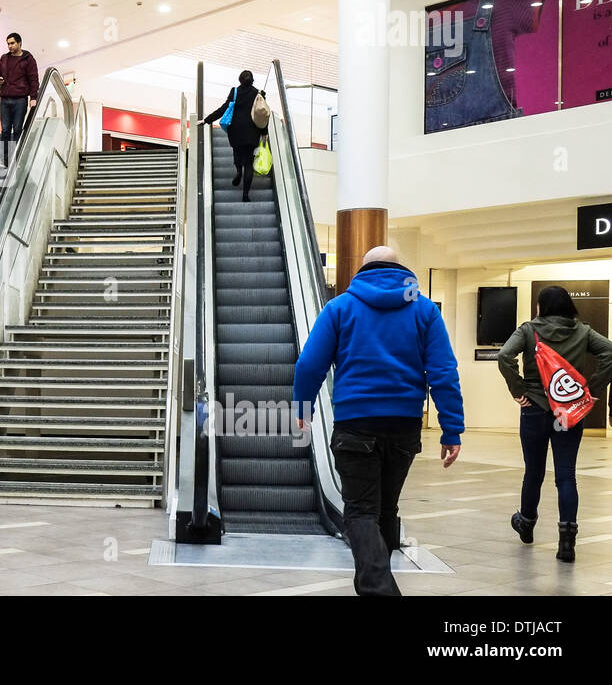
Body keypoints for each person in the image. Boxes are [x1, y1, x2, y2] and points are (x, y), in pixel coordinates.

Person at [294, 245, 465, 597]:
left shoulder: (340, 307)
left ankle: (379, 588)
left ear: (363, 269)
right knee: (386, 509)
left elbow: (309, 364)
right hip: (404, 425)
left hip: (356, 423)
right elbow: (444, 372)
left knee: (359, 511)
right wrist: (451, 427)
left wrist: (303, 407)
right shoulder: (424, 310)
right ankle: (381, 583)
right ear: (400, 268)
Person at [497, 285, 612, 562]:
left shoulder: (528, 330)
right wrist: (592, 389)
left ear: (542, 306)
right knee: (566, 475)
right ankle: (567, 542)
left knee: (533, 472)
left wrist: (519, 390)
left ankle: (526, 523)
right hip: (568, 412)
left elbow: (504, 356)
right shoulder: (583, 331)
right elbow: (610, 352)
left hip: (535, 408)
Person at [202, 69, 268, 203]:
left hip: (236, 130)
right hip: (252, 131)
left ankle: (238, 172)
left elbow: (224, 108)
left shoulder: (235, 91)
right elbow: (262, 114)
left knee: (237, 155)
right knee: (249, 163)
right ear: (252, 80)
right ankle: (245, 195)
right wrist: (264, 132)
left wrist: (207, 120)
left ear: (240, 80)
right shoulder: (258, 93)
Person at [0, 32, 38, 165]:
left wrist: (33, 97)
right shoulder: (4, 58)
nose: (10, 46)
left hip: (20, 99)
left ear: (19, 43)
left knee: (18, 129)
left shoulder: (28, 59)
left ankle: (17, 158)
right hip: (5, 99)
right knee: (4, 130)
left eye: (12, 43)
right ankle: (5, 160)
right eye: (8, 43)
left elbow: (33, 79)